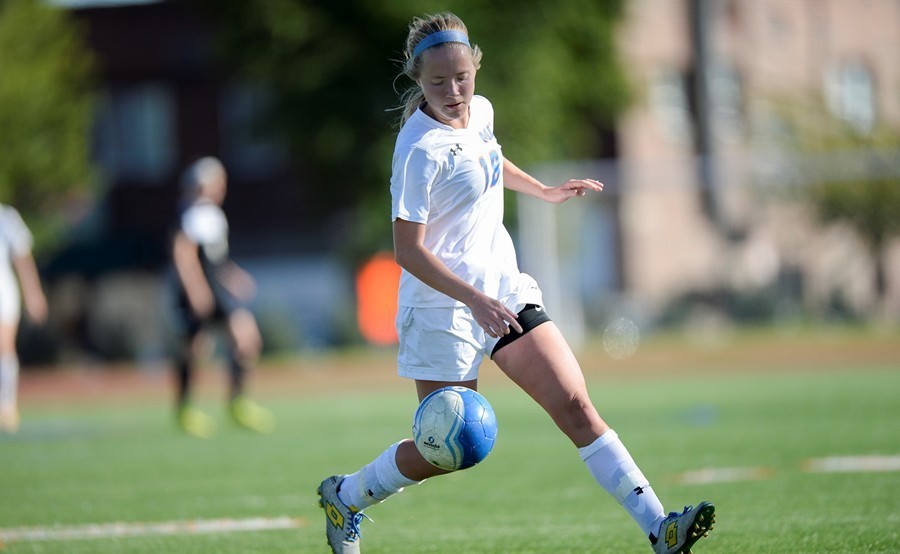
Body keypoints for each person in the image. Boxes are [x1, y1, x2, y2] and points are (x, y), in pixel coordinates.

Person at [317, 12, 716, 554]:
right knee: (447, 451)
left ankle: (660, 529)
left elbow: (489, 158)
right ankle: (346, 497)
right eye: (438, 82)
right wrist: (472, 299)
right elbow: (406, 251)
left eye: (461, 77)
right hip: (441, 309)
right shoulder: (417, 150)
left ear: (475, 68)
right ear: (418, 80)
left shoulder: (480, 111)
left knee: (576, 405)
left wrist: (544, 191)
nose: (453, 92)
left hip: (503, 290)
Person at [170, 156, 275, 438]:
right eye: (218, 182)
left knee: (244, 336)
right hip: (201, 292)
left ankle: (237, 402)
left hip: (215, 290)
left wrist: (234, 276)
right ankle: (188, 408)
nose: (222, 187)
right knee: (196, 348)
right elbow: (183, 253)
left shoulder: (212, 214)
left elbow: (216, 260)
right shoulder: (193, 212)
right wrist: (196, 290)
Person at [0, 204, 48, 433]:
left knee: (4, 346)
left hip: (3, 292)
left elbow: (23, 258)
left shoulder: (6, 217)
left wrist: (33, 293)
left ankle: (7, 404)